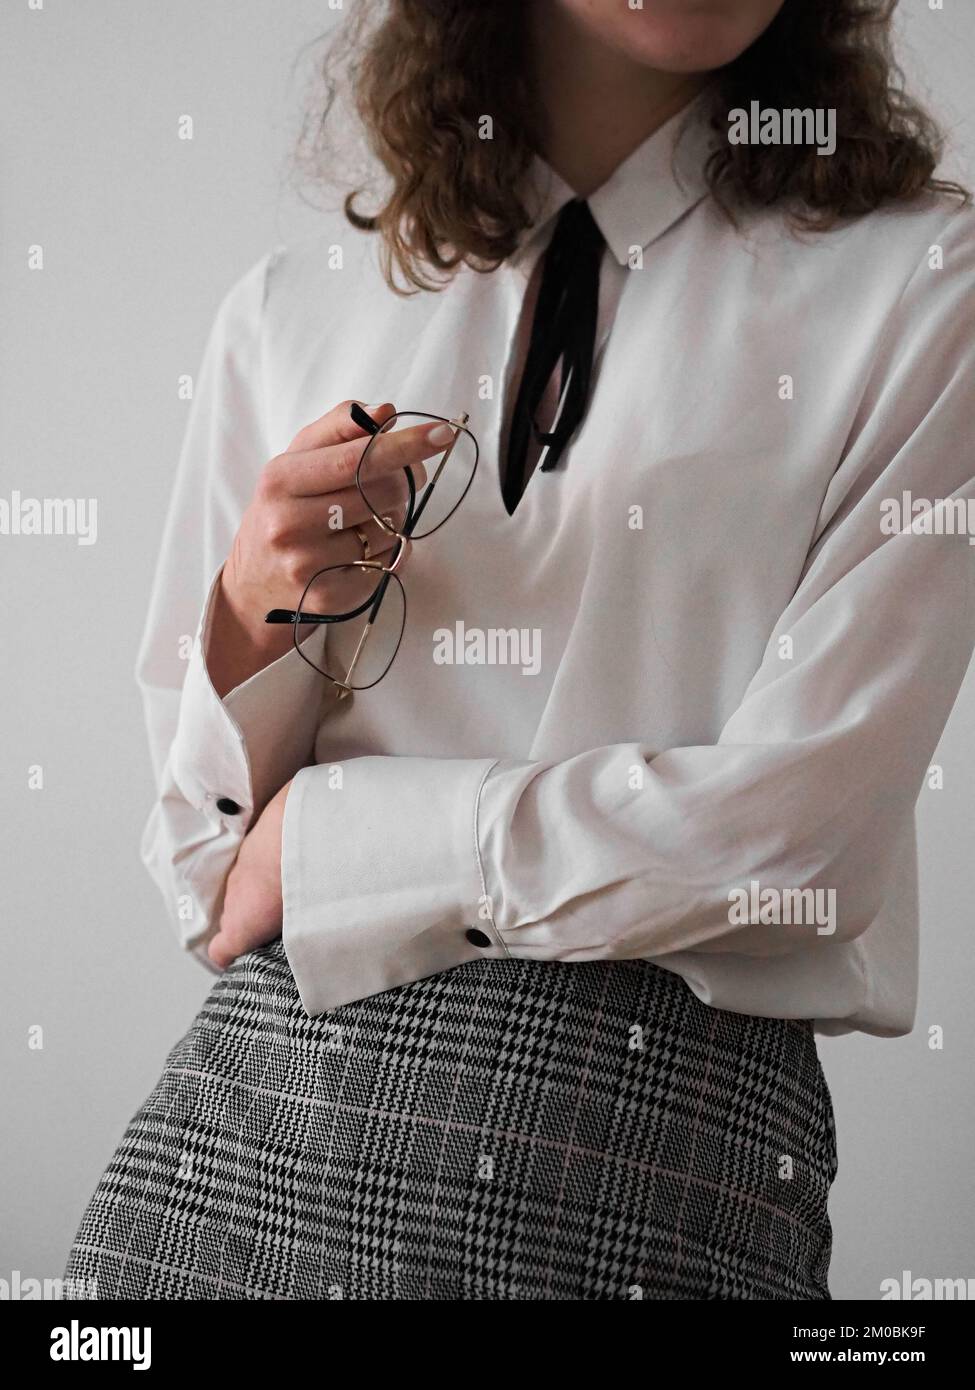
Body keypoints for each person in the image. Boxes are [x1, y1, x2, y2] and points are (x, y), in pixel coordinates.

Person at [64, 0, 974, 1300]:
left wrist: (347, 838)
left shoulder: (921, 280)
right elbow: (211, 880)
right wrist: (255, 611)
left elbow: (804, 848)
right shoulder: (301, 303)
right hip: (242, 1148)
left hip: (650, 1160)